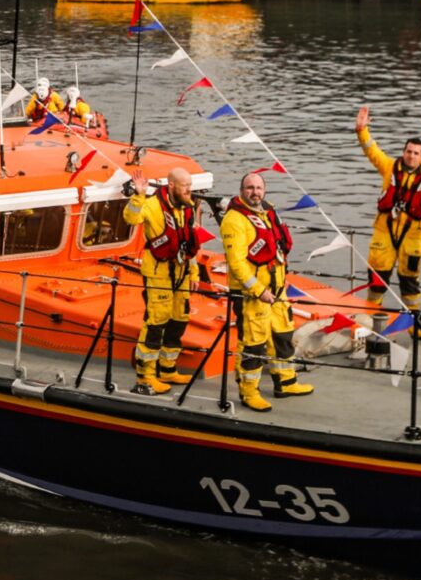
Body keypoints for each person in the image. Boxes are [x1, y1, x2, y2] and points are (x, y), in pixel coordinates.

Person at [222, 170, 313, 411]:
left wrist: (277, 286)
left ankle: (286, 382)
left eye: (258, 188)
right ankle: (249, 392)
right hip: (253, 293)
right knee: (253, 344)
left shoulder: (267, 212)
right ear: (242, 191)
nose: (254, 192)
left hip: (277, 290)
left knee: (283, 335)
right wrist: (258, 289)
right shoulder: (234, 219)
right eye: (249, 188)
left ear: (264, 191)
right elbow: (237, 262)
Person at [355, 107, 421, 314]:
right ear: (403, 152)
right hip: (384, 235)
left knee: (410, 286)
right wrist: (361, 129)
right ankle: (371, 322)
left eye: (416, 153)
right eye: (408, 152)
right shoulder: (389, 167)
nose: (411, 156)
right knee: (376, 283)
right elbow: (371, 150)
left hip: (412, 239)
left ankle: (414, 326)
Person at [123, 167, 203, 394]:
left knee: (179, 320)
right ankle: (146, 376)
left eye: (190, 185)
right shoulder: (152, 205)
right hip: (158, 272)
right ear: (172, 186)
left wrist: (195, 274)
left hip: (182, 272)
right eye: (185, 185)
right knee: (156, 322)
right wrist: (138, 194)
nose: (189, 189)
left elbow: (189, 244)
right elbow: (131, 217)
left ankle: (168, 368)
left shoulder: (187, 208)